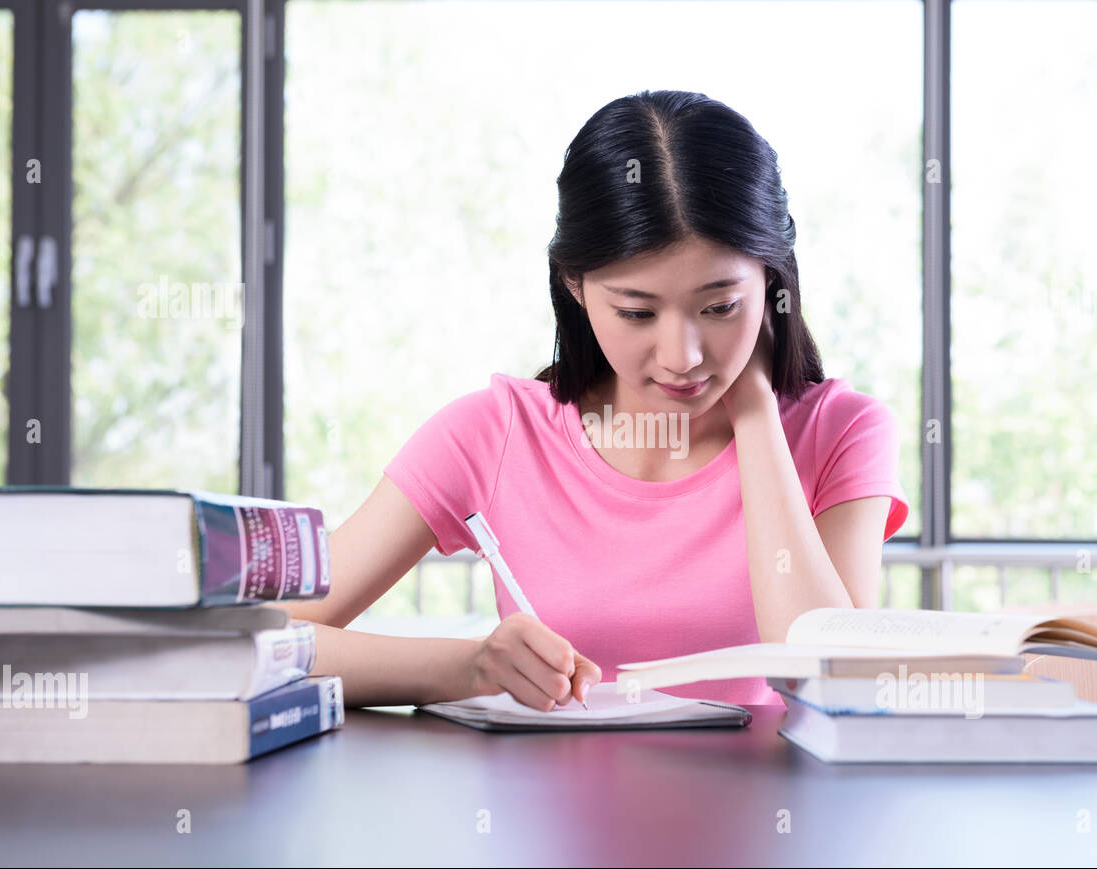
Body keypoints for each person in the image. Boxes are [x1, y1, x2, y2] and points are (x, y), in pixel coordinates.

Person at [282, 89, 909, 711]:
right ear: (575, 287)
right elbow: (259, 644)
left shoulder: (842, 431)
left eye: (719, 307)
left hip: (777, 814)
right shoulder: (494, 434)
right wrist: (469, 666)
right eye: (636, 311)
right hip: (548, 813)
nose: (681, 356)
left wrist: (755, 411)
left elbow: (835, 684)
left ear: (771, 278)